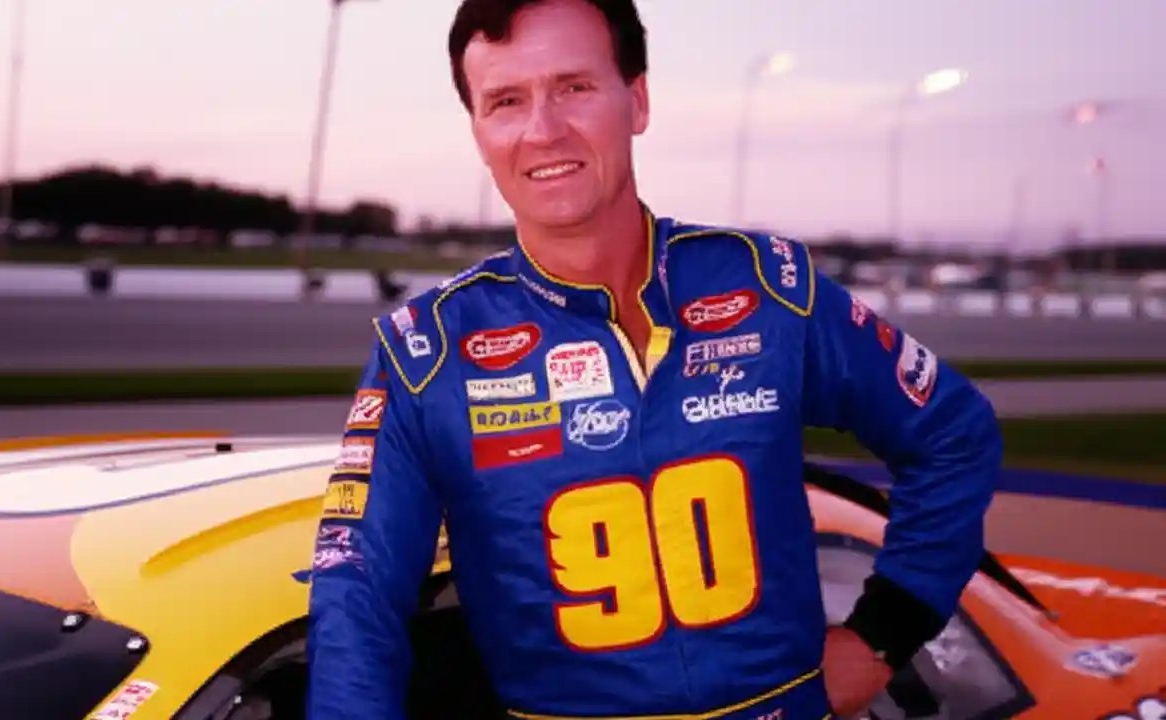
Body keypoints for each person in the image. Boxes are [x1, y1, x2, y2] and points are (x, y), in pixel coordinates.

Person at [304, 0, 1002, 717]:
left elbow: (954, 434)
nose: (543, 130)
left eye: (574, 87)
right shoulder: (427, 352)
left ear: (636, 100)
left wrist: (882, 636)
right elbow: (357, 593)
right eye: (506, 101)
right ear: (479, 132)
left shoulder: (769, 289)